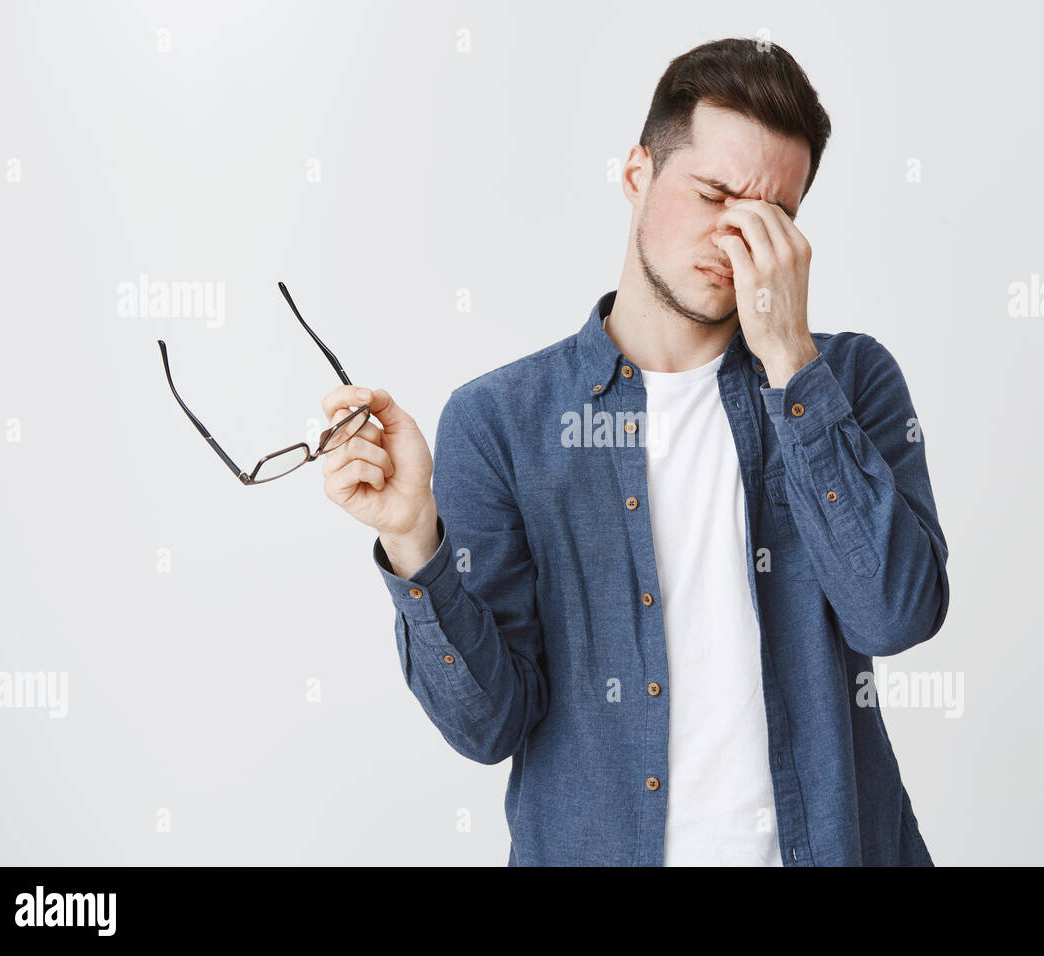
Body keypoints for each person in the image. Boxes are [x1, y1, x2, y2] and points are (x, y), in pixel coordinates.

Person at [319, 37, 950, 866]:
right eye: (715, 193)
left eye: (774, 219)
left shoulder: (848, 381)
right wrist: (413, 542)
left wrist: (792, 364)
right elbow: (488, 726)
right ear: (636, 174)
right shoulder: (501, 421)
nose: (737, 241)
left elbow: (896, 614)